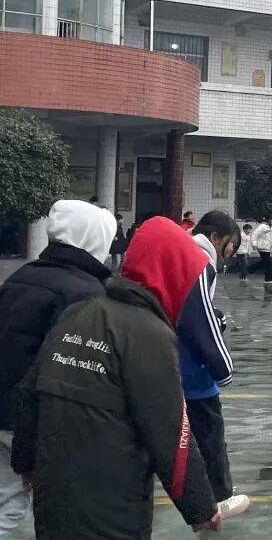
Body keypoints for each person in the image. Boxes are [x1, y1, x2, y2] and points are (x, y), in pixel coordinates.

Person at [11, 216, 222, 537]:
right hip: (111, 501)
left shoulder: (78, 312)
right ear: (170, 274)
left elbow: (31, 391)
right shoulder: (149, 333)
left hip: (54, 495)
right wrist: (202, 509)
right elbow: (170, 432)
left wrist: (25, 461)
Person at [0, 200, 116, 534]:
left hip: (3, 409)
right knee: (19, 507)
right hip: (31, 418)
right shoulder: (87, 294)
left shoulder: (22, 276)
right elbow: (76, 370)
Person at [183, 211, 249, 517]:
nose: (231, 251)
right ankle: (218, 501)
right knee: (210, 437)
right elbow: (198, 320)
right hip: (193, 371)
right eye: (231, 243)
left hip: (171, 364)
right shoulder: (200, 261)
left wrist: (216, 316)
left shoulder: (184, 252)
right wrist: (223, 369)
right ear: (215, 238)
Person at [251, 214, 272, 285]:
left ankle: (250, 269)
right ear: (268, 220)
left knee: (265, 262)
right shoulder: (262, 227)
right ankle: (269, 279)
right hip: (262, 247)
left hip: (268, 247)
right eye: (271, 219)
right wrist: (254, 244)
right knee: (269, 263)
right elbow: (254, 235)